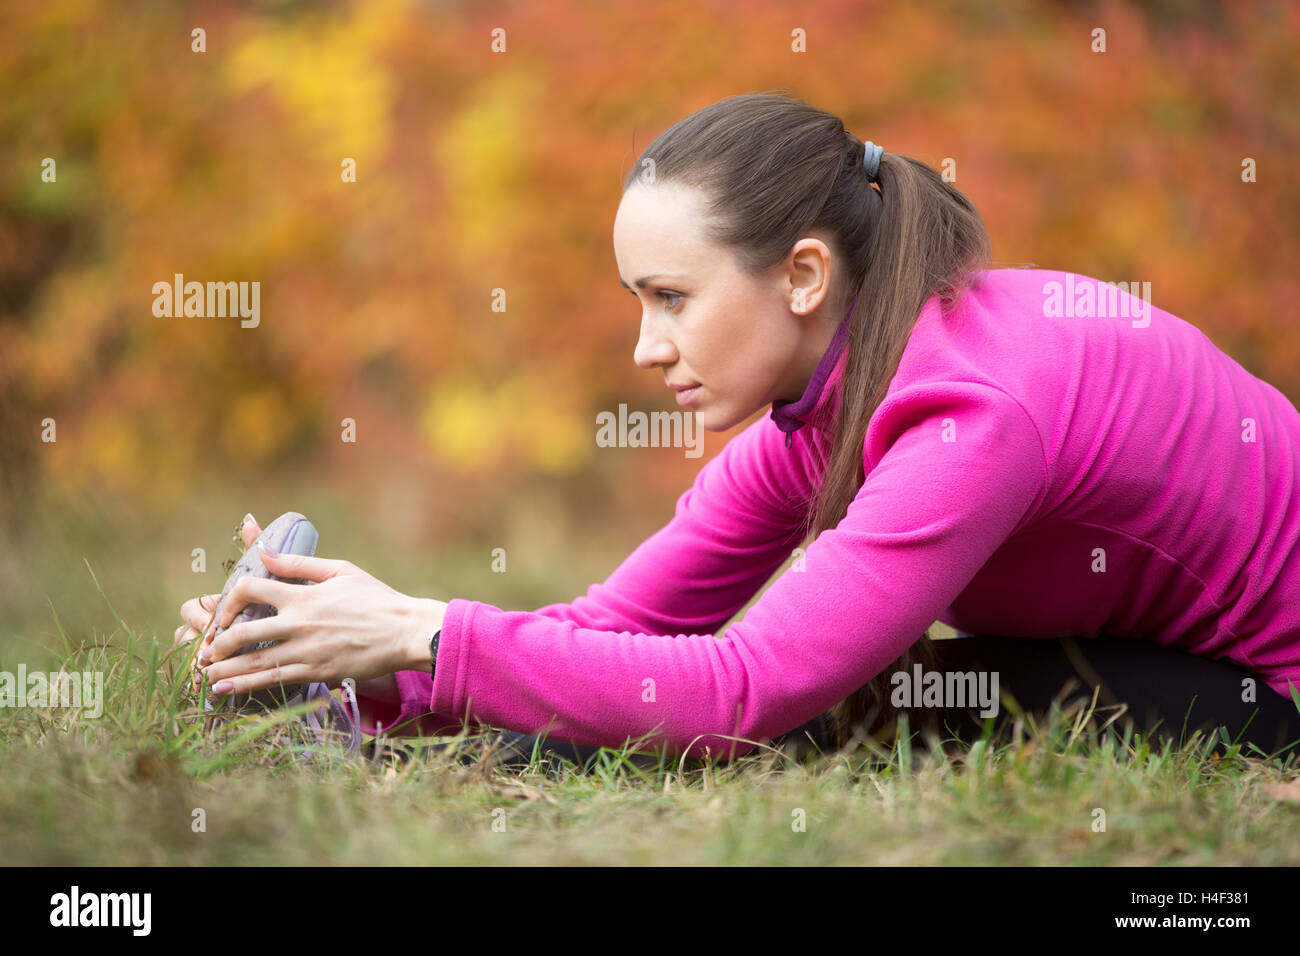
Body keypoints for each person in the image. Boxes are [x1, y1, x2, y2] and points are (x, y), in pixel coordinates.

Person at [175, 91, 1300, 767]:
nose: (644, 346)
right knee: (739, 693)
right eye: (637, 301)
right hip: (1165, 649)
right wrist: (337, 666)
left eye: (671, 296)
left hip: (1269, 682)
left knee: (846, 704)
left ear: (803, 274)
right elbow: (611, 627)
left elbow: (741, 687)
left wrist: (424, 630)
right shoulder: (819, 418)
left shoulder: (970, 408)